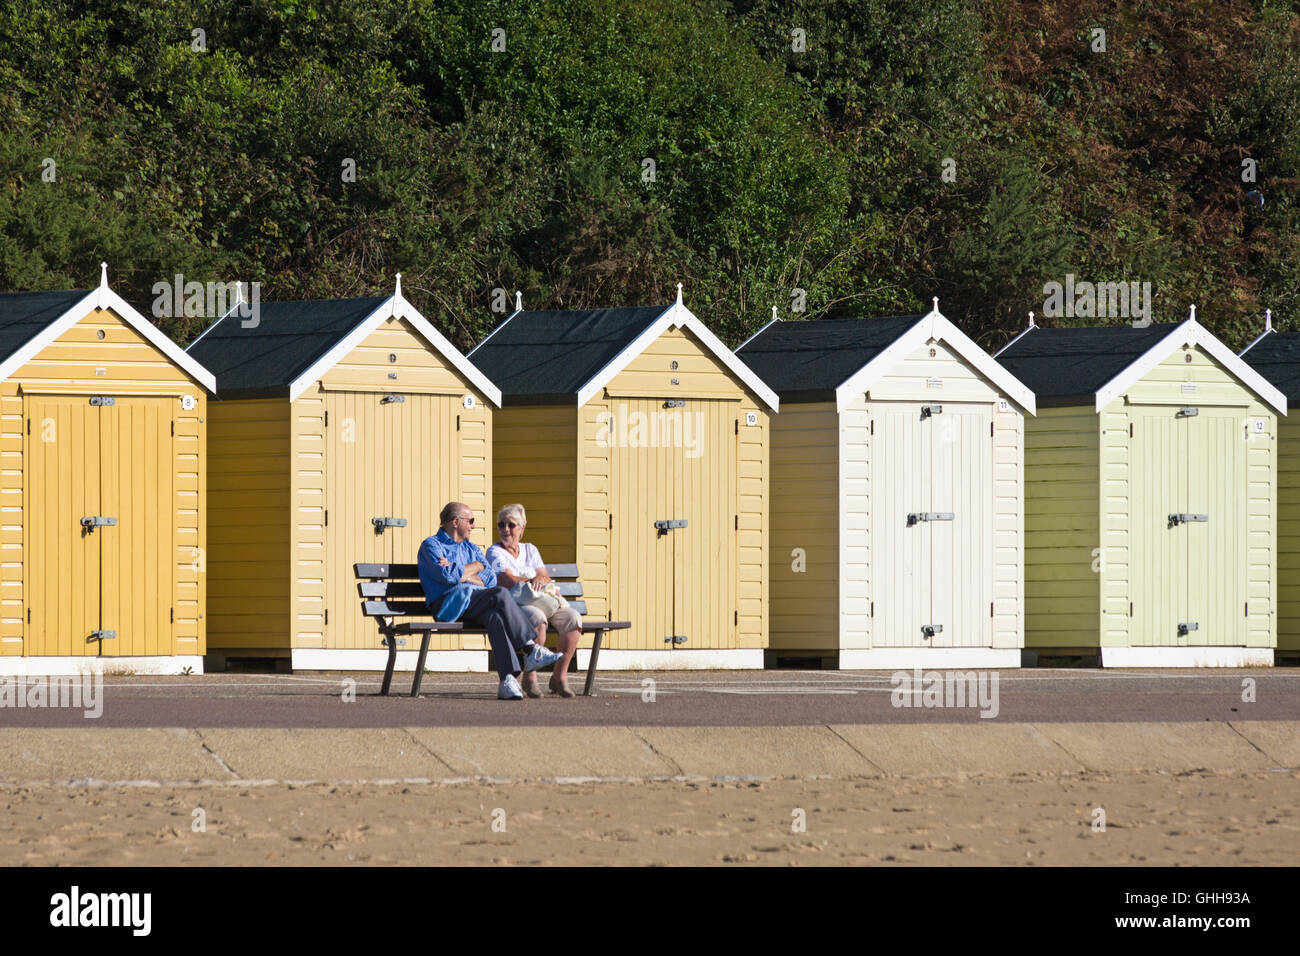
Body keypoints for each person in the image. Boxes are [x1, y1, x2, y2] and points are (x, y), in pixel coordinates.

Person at [417, 501, 562, 700]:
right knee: (500, 594)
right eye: (471, 521)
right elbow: (447, 577)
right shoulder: (431, 545)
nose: (473, 526)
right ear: (455, 522)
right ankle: (529, 648)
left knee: (495, 617)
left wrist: (463, 572)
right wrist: (474, 567)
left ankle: (507, 680)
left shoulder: (471, 548)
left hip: (474, 602)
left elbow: (490, 578)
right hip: (448, 605)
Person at [487, 503, 583, 698]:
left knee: (573, 619)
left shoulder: (530, 549)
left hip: (543, 599)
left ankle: (559, 677)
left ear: (521, 528)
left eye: (511, 525)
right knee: (538, 619)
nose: (505, 529)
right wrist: (531, 580)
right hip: (516, 605)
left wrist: (540, 579)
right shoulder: (494, 552)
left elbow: (545, 577)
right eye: (501, 525)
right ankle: (530, 677)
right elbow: (505, 579)